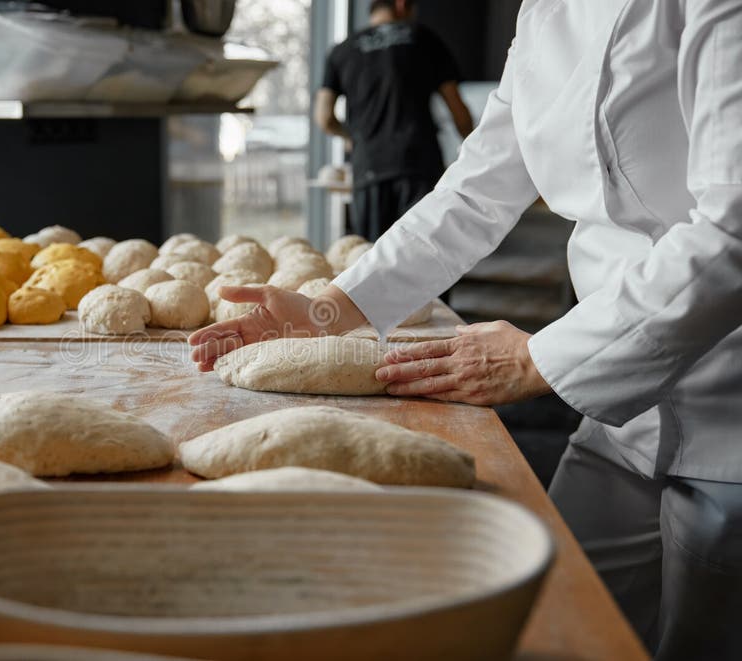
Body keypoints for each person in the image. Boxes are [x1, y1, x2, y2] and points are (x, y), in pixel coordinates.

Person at [191, 1, 742, 658]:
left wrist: (541, 357)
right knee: (551, 623)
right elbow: (476, 192)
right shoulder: (544, 14)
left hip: (727, 407)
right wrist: (331, 309)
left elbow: (732, 224)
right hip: (619, 410)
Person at [314, 0, 474, 241]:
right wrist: (474, 152)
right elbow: (457, 107)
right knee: (424, 254)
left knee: (372, 256)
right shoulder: (423, 38)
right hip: (419, 164)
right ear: (402, 6)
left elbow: (324, 117)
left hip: (369, 167)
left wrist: (352, 138)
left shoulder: (342, 50)